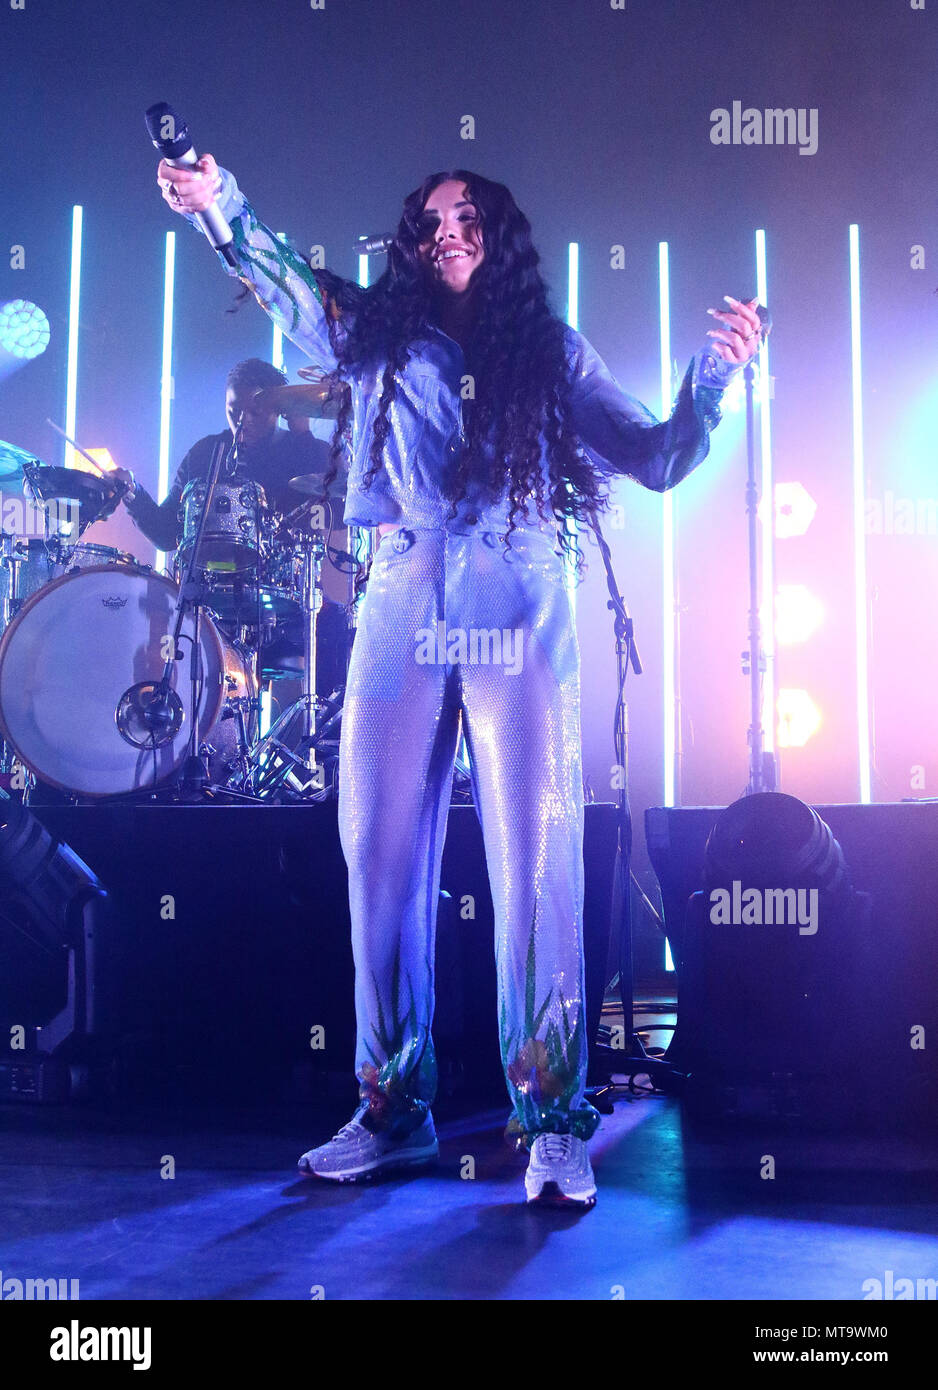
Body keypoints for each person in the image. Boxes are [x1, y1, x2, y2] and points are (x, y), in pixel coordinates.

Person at [157, 152, 764, 1209]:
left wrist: (712, 378)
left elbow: (658, 457)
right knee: (378, 854)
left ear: (500, 235)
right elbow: (288, 284)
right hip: (399, 597)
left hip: (515, 599)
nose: (446, 230)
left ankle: (552, 1123)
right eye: (429, 218)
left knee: (535, 861)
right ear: (409, 241)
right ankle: (390, 1112)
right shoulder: (368, 333)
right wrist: (220, 203)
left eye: (467, 215)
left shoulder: (551, 356)